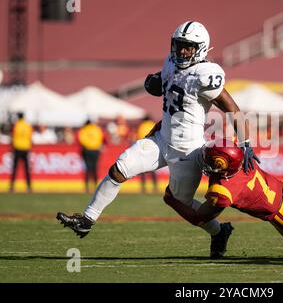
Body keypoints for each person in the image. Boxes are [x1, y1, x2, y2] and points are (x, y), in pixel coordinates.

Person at [56, 21, 259, 259]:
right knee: (119, 169)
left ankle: (219, 231)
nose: (182, 51)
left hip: (188, 151)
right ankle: (87, 218)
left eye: (189, 47)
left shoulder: (206, 75)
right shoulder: (170, 62)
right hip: (161, 139)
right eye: (180, 45)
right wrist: (154, 81)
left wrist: (245, 142)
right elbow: (166, 89)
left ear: (202, 49)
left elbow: (233, 109)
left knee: (179, 202)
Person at [78, 120, 104, 193]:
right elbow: (101, 138)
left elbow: (81, 139)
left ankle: (87, 188)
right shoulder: (97, 129)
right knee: (95, 169)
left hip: (87, 150)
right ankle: (96, 187)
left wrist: (88, 145)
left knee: (87, 169)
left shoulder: (84, 129)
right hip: (95, 150)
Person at [9, 112, 33, 193]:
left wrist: (11, 148)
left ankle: (12, 187)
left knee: (14, 169)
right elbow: (30, 137)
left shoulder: (16, 125)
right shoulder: (27, 125)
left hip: (17, 148)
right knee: (27, 169)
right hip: (26, 148)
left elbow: (12, 136)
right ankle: (29, 187)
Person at [136, 115, 158, 193]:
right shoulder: (153, 124)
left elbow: (138, 138)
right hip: (153, 149)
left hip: (143, 149)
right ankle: (155, 187)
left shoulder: (141, 126)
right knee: (153, 169)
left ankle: (143, 188)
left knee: (143, 169)